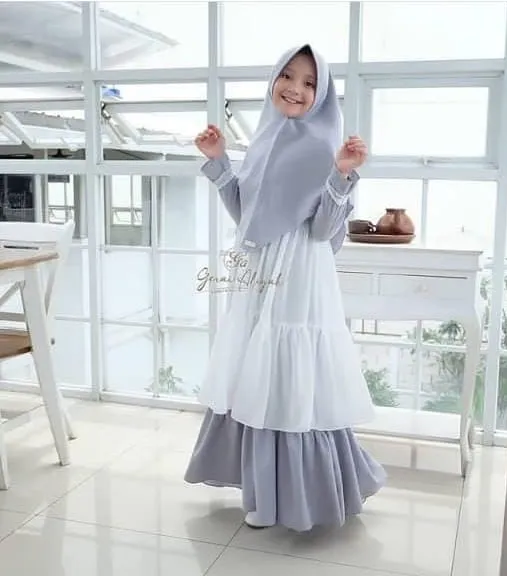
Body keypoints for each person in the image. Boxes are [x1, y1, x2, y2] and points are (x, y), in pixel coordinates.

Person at [184, 44, 386, 532]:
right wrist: (218, 160)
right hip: (259, 268)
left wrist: (342, 172)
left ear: (323, 94)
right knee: (257, 370)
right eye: (288, 76)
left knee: (289, 371)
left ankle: (292, 496)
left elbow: (324, 230)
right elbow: (246, 213)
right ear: (274, 79)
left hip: (299, 271)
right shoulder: (264, 138)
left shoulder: (324, 146)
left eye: (310, 83)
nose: (295, 88)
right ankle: (261, 490)